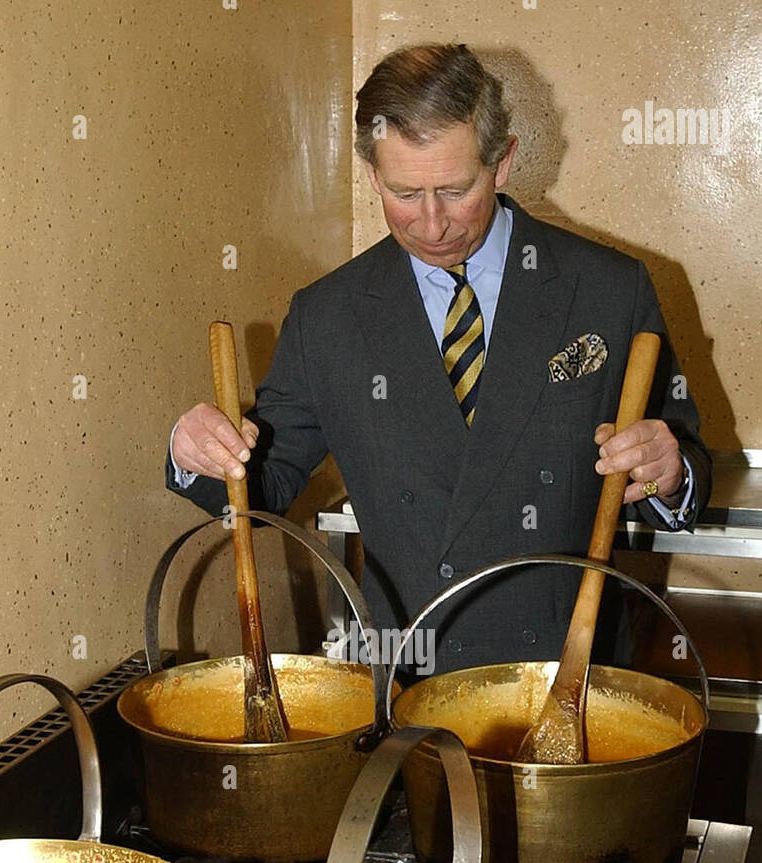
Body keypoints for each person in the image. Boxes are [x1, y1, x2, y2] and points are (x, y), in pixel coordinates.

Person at [166, 43, 711, 675]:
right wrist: (194, 454)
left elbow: (682, 463)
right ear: (372, 175)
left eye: (456, 190)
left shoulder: (609, 290)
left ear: (502, 162)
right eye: (403, 193)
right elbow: (263, 484)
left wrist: (668, 469)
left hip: (571, 676)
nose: (432, 224)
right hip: (410, 680)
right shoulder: (329, 317)